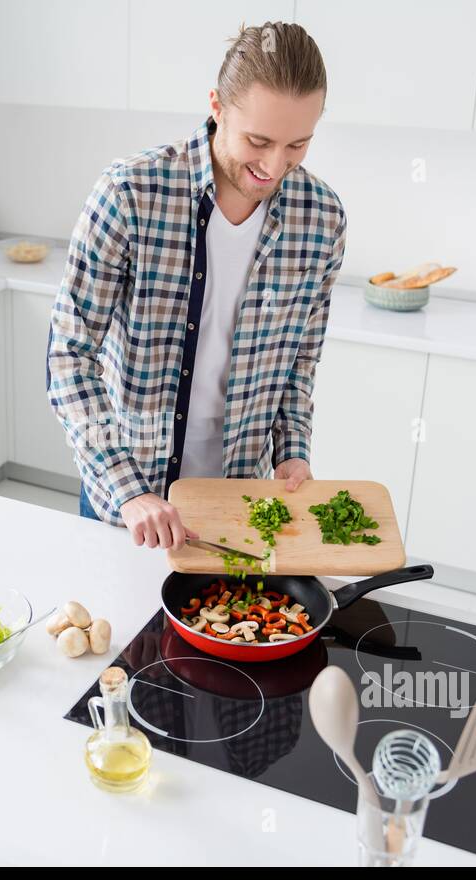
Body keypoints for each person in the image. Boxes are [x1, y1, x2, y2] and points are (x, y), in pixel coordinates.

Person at [48, 22, 345, 551]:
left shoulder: (321, 218)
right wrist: (128, 490)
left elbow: (300, 361)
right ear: (217, 106)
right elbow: (68, 357)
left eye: (298, 144)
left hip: (239, 505)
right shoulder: (130, 194)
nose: (275, 165)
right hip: (127, 503)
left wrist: (292, 451)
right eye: (259, 140)